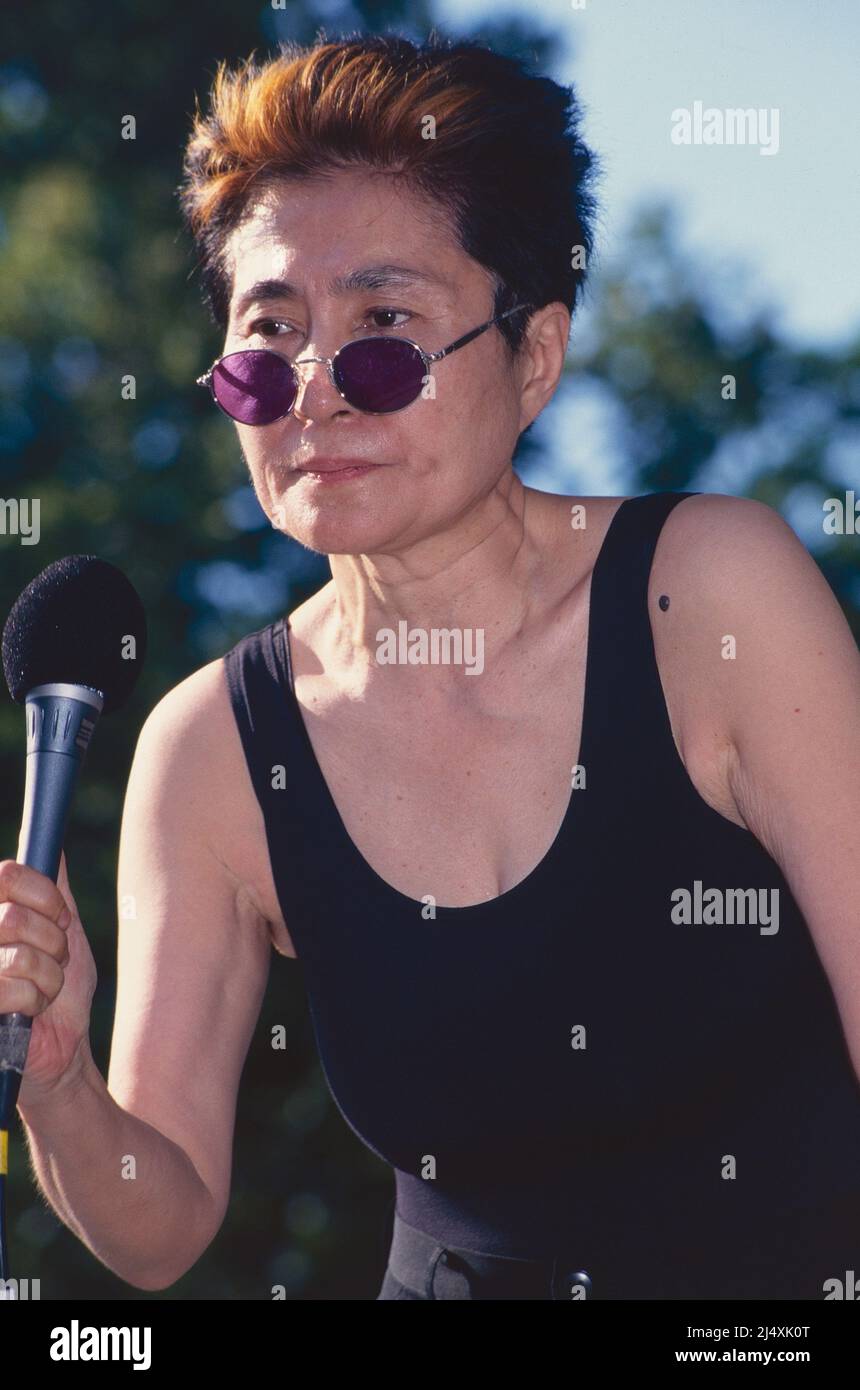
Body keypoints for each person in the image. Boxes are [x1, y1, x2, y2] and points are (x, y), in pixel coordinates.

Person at [2, 34, 859, 1300]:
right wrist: (62, 1086)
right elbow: (161, 1221)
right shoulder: (211, 748)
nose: (316, 396)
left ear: (535, 355)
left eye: (383, 334)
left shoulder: (708, 594)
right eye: (267, 342)